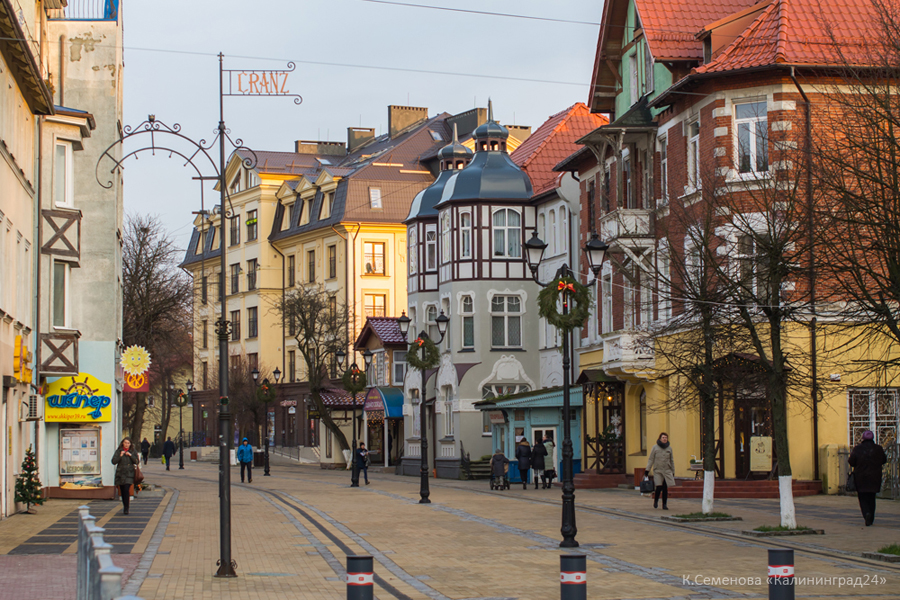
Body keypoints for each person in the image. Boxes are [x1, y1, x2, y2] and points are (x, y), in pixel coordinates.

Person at [849, 430, 888, 526]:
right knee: (872, 498)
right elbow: (884, 460)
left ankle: (866, 513)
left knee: (862, 497)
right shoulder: (878, 449)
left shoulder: (858, 449)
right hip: (875, 477)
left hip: (860, 477)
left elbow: (851, 461)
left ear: (863, 438)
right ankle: (871, 517)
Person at [646, 432, 676, 510]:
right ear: (660, 438)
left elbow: (671, 460)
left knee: (665, 488)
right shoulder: (655, 448)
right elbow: (651, 459)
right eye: (663, 437)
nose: (664, 439)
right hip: (658, 470)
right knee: (659, 486)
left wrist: (673, 471)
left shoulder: (669, 448)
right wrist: (647, 470)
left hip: (667, 470)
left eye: (666, 437)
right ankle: (656, 501)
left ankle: (664, 504)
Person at [111, 438, 139, 515]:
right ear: (122, 443)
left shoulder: (133, 451)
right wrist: (120, 456)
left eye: (128, 443)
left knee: (126, 489)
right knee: (123, 491)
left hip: (129, 474)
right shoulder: (119, 451)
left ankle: (126, 508)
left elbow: (136, 461)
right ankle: (125, 505)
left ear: (130, 444)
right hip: (120, 474)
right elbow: (113, 461)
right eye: (125, 443)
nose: (126, 444)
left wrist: (130, 455)